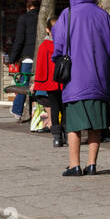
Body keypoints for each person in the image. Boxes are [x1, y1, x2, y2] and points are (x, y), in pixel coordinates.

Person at [52, 0, 110, 176]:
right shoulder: (103, 15)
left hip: (75, 80)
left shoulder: (67, 15)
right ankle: (92, 163)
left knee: (74, 125)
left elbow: (57, 45)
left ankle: (74, 165)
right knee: (96, 124)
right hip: (98, 78)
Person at [32, 18, 66, 147]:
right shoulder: (65, 44)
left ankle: (57, 137)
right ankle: (67, 134)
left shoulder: (44, 46)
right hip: (63, 81)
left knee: (55, 106)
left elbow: (40, 67)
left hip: (50, 82)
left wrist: (37, 82)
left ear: (47, 30)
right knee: (64, 108)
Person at [8, 0, 39, 121]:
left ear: (28, 5)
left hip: (27, 57)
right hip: (40, 56)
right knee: (39, 84)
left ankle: (17, 110)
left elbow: (19, 40)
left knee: (24, 84)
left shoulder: (24, 18)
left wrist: (13, 58)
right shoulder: (43, 17)